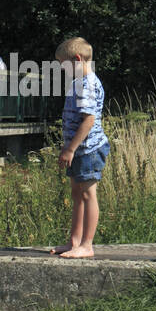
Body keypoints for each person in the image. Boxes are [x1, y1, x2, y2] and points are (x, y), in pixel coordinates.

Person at [50, 37, 109, 258]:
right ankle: (74, 241)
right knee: (77, 193)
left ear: (76, 59)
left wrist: (70, 149)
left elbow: (88, 121)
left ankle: (87, 245)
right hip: (79, 149)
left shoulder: (87, 84)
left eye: (62, 64)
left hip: (88, 149)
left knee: (88, 194)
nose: (61, 68)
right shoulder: (79, 82)